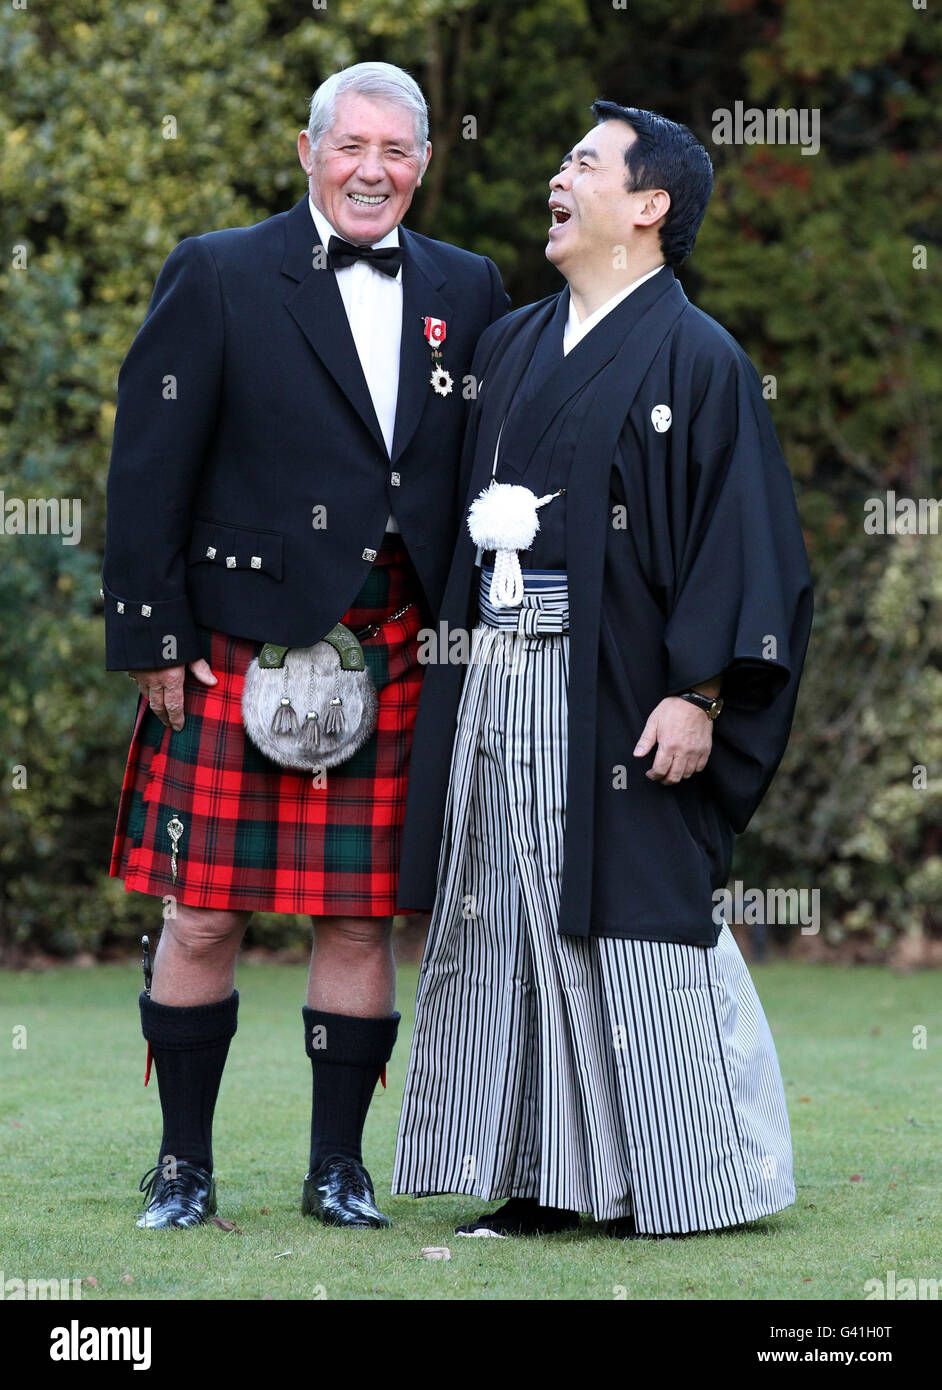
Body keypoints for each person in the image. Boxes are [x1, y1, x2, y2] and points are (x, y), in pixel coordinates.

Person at [391, 102, 814, 1238]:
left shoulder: (700, 356)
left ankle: (683, 1179)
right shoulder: (511, 344)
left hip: (627, 687)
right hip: (502, 666)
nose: (557, 176)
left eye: (585, 161)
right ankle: (539, 1180)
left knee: (627, 918)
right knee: (511, 921)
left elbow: (747, 544)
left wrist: (702, 693)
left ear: (650, 204)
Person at [103, 61, 508, 1231]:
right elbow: (149, 464)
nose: (372, 170)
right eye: (351, 147)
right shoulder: (221, 270)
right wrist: (152, 630)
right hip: (237, 635)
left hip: (396, 635)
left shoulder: (467, 286)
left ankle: (339, 1169)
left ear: (425, 162)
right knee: (201, 909)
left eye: (397, 150)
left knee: (357, 914)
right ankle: (183, 1166)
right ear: (307, 151)